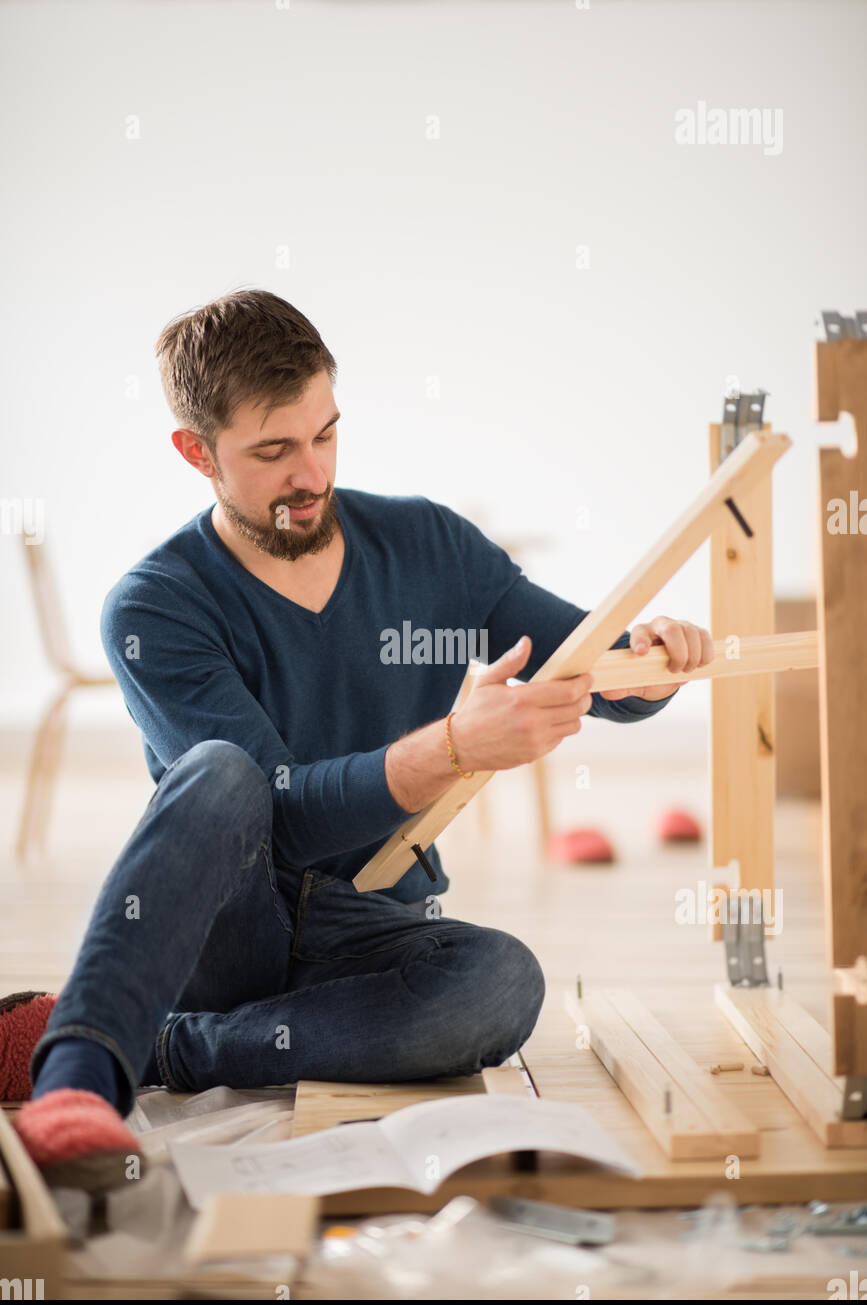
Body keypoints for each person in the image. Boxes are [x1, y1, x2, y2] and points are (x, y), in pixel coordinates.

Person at [1, 290, 712, 1187]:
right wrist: (452, 747)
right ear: (196, 453)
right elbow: (279, 816)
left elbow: (591, 666)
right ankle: (79, 1080)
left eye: (325, 435)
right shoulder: (156, 605)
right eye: (273, 451)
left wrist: (650, 659)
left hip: (367, 923)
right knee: (219, 773)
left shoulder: (428, 545)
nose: (311, 474)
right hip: (237, 922)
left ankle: (170, 1052)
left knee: (501, 983)